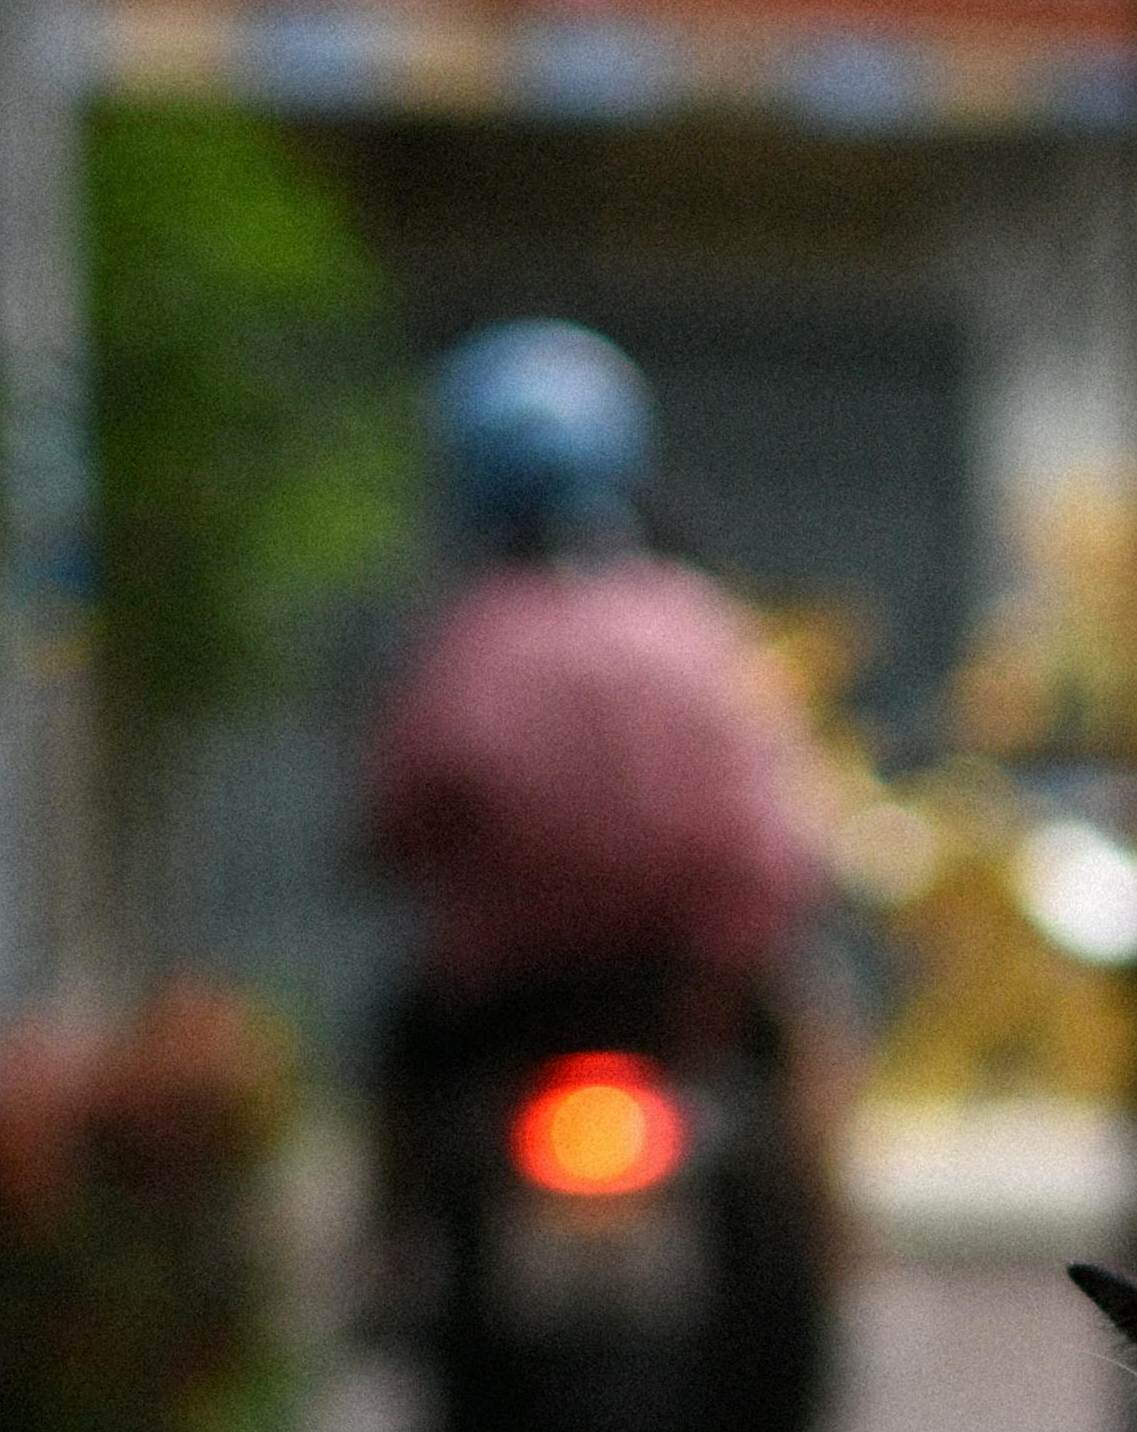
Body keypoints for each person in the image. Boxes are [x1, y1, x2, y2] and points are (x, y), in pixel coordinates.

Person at [362, 319, 847, 1108]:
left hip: (507, 987)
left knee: (405, 1079)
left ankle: (402, 1232)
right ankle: (822, 1232)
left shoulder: (467, 635)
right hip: (694, 988)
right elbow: (783, 815)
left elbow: (403, 807)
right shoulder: (697, 618)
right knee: (805, 1055)